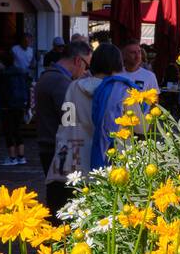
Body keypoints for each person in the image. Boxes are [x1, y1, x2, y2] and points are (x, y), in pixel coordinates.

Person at [51, 43, 132, 187]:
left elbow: (67, 122)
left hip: (75, 158)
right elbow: (138, 126)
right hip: (110, 160)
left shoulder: (74, 86)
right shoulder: (122, 90)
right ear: (119, 64)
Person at [35, 41, 90, 214]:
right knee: (62, 199)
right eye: (86, 65)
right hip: (57, 147)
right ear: (77, 61)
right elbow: (71, 120)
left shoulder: (47, 76)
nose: (85, 71)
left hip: (47, 143)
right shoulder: (61, 82)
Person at [0, 39, 31, 167]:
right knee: (18, 130)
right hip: (20, 104)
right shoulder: (21, 73)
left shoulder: (4, 75)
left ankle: (12, 157)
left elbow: (2, 91)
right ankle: (21, 156)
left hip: (7, 106)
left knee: (9, 131)